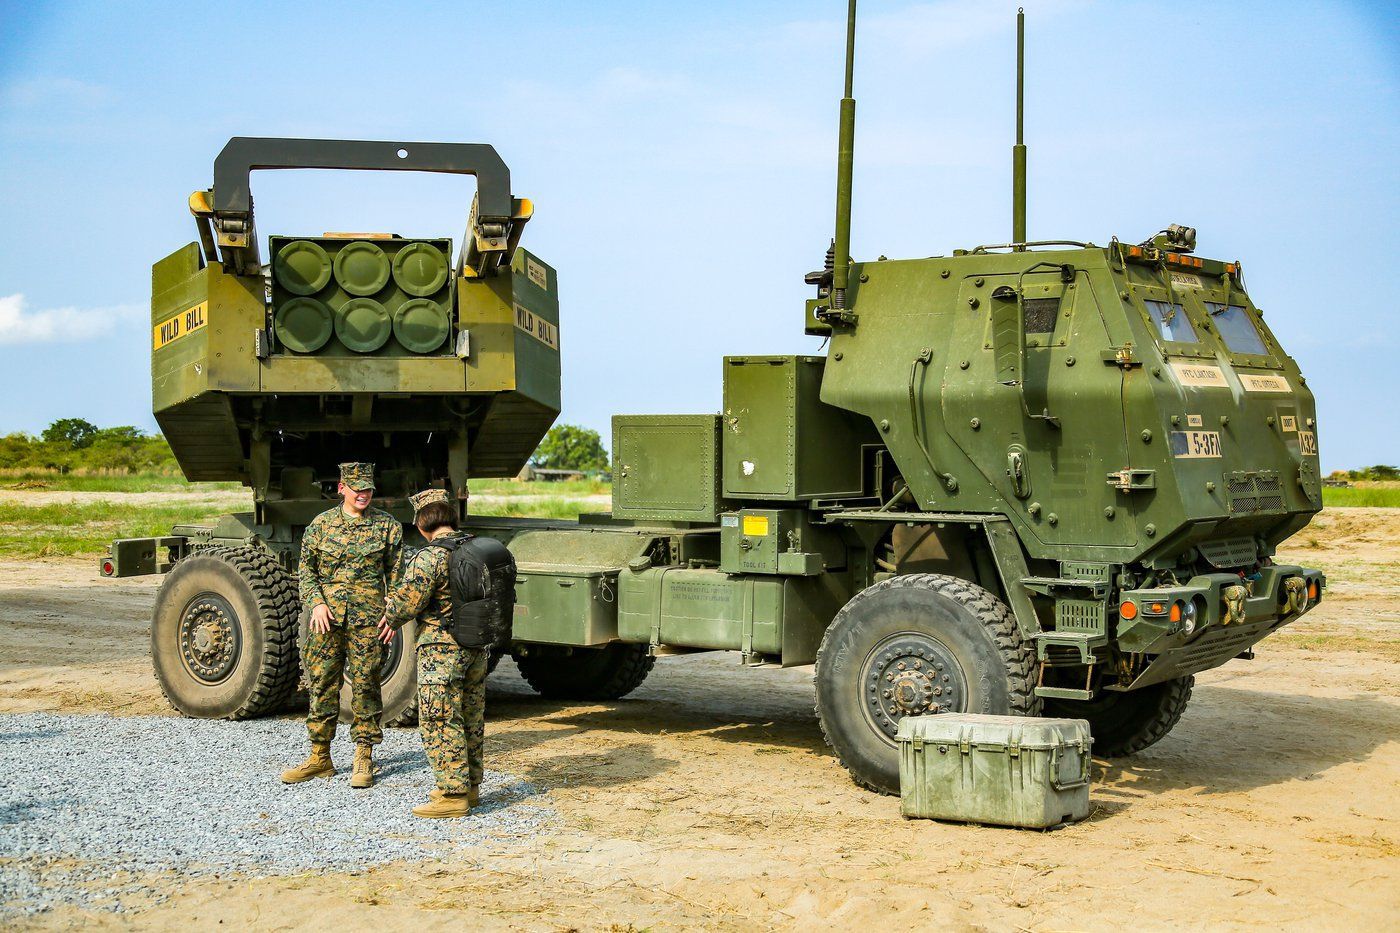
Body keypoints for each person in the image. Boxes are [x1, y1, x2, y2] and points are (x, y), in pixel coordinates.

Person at [281, 462, 403, 789]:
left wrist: (392, 614)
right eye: (356, 488)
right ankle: (320, 757)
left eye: (367, 488)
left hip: (368, 620)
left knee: (365, 684)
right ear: (341, 488)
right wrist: (316, 602)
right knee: (322, 683)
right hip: (327, 619)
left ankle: (363, 755)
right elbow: (306, 571)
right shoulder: (320, 526)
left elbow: (396, 576)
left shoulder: (387, 527)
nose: (363, 494)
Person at [379, 489, 492, 819]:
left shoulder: (429, 557)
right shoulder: (477, 549)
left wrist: (391, 608)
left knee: (439, 719)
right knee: (470, 717)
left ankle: (452, 794)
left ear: (422, 523)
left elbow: (404, 606)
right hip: (476, 647)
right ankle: (470, 786)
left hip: (441, 650)